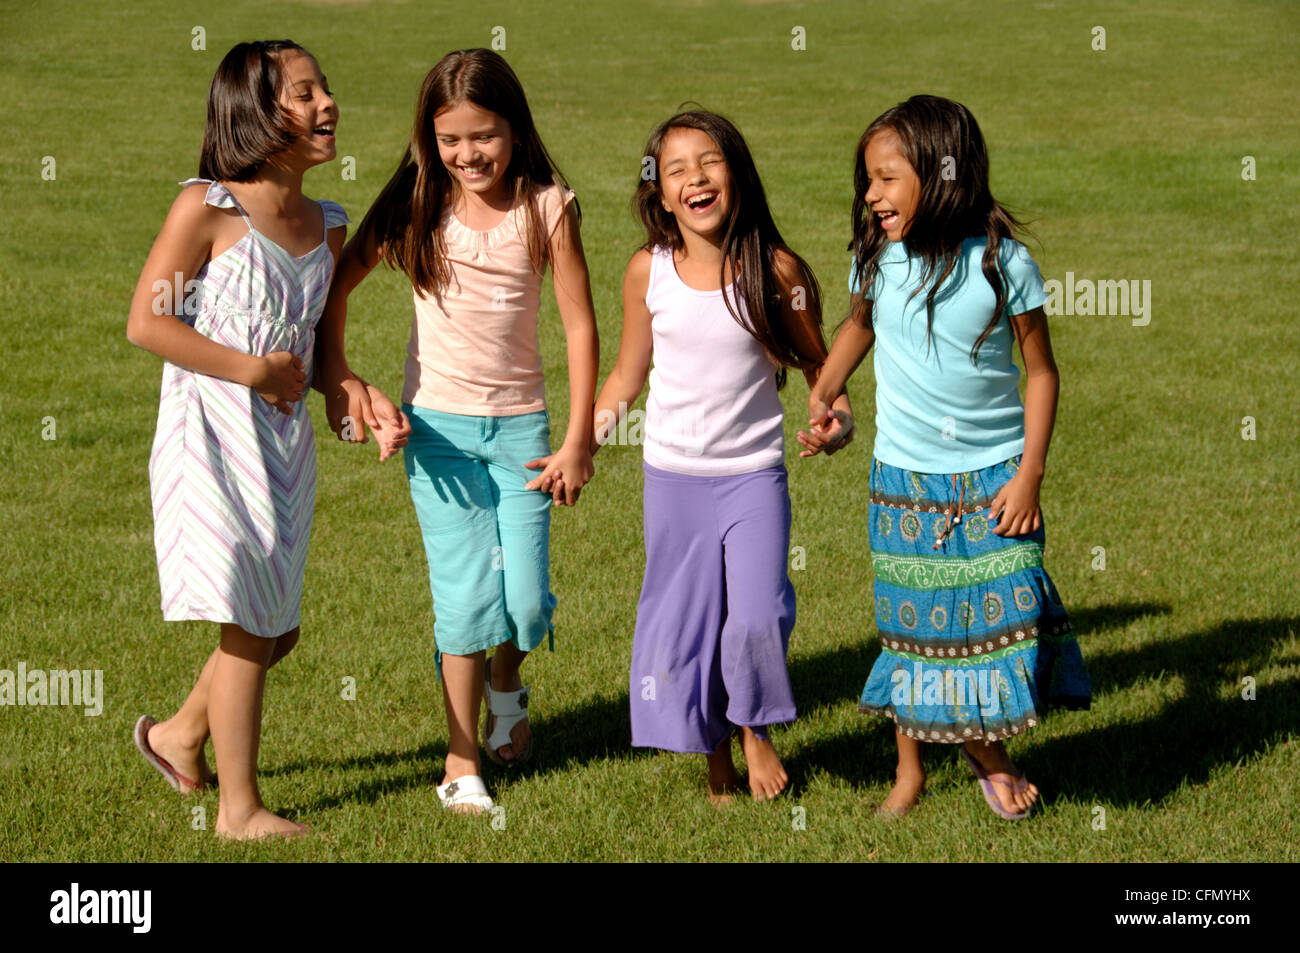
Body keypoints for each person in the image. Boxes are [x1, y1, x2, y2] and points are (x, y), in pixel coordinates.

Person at [127, 40, 403, 839]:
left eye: (326, 89)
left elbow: (315, 357)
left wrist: (354, 393)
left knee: (277, 630)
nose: (327, 105)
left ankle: (178, 736)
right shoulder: (209, 209)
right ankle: (238, 810)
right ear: (255, 111)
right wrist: (249, 369)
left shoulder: (328, 223)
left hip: (280, 450)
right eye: (305, 93)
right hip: (208, 438)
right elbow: (149, 322)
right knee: (249, 622)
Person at [324, 49, 598, 814]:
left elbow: (579, 322)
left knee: (529, 602)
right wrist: (345, 378)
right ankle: (460, 754)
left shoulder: (547, 205)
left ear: (514, 130)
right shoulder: (416, 202)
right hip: (437, 434)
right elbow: (336, 285)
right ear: (428, 140)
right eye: (451, 140)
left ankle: (507, 686)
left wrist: (579, 438)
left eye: (485, 136)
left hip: (526, 434)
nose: (468, 154)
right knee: (466, 597)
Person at [807, 94, 1091, 820]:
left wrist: (1030, 472)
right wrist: (828, 390)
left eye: (885, 178)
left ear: (942, 175)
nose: (869, 195)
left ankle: (980, 744)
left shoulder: (1003, 263)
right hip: (904, 480)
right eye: (866, 180)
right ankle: (912, 772)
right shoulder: (879, 260)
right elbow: (859, 326)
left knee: (1012, 607)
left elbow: (1042, 372)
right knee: (917, 625)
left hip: (998, 474)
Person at [589, 109, 853, 802]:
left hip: (751, 476)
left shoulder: (777, 269)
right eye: (675, 170)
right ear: (659, 192)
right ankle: (715, 754)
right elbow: (625, 375)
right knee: (689, 623)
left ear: (736, 172)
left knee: (761, 610)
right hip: (672, 479)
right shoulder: (648, 272)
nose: (694, 179)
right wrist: (580, 442)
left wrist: (837, 420)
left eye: (708, 162)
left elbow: (823, 372)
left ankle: (755, 726)